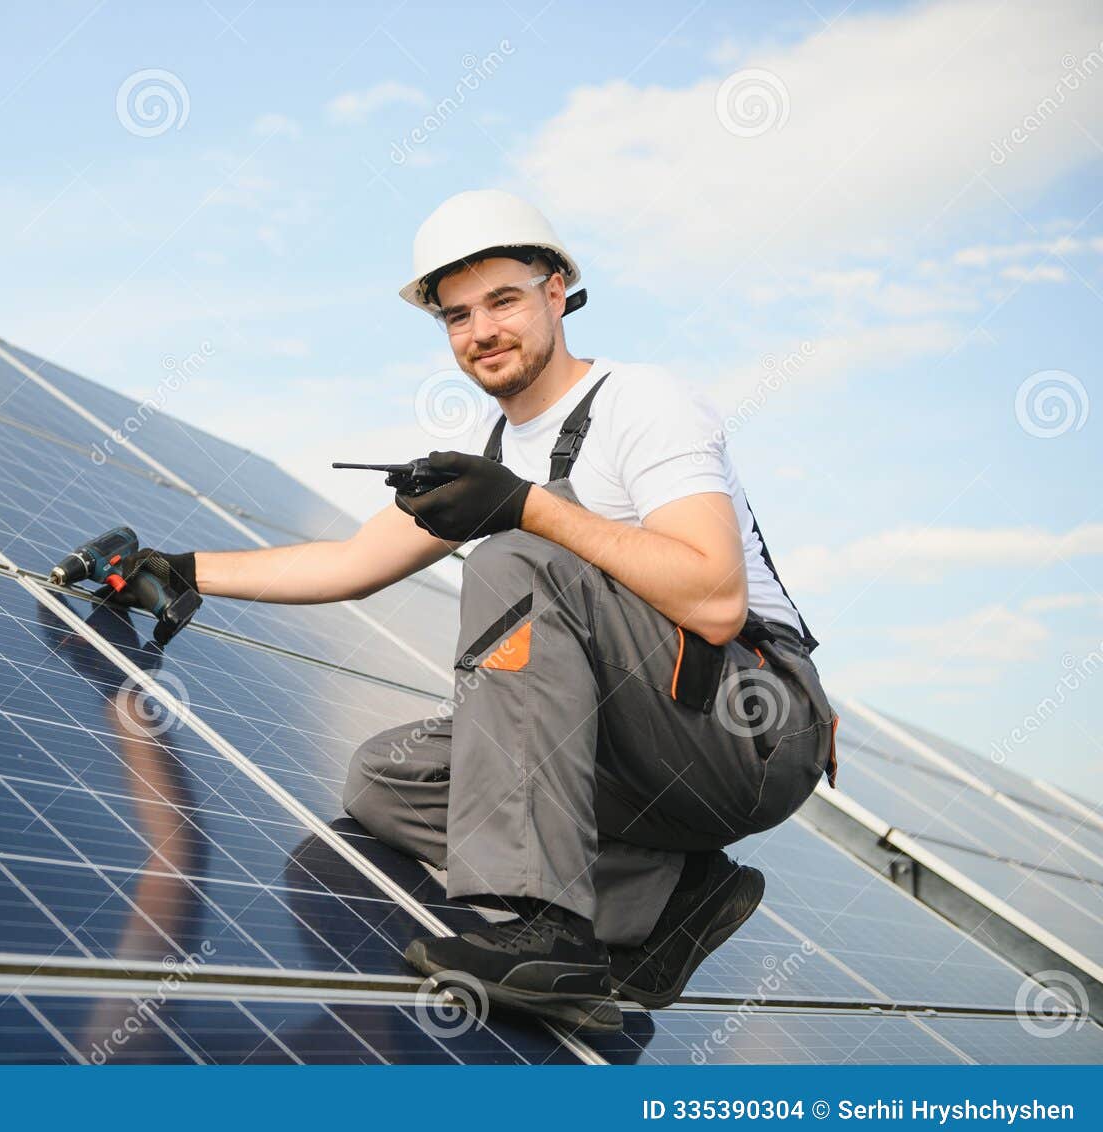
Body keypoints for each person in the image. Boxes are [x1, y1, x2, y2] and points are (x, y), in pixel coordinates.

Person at [108, 189, 837, 1032]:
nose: (481, 331)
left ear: (556, 289)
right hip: (636, 760)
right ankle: (672, 895)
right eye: (457, 316)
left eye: (504, 301)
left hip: (750, 727)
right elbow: (349, 564)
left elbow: (714, 600)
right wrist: (179, 569)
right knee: (385, 781)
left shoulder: (645, 401)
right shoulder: (498, 455)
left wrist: (526, 507)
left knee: (515, 557)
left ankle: (551, 935)